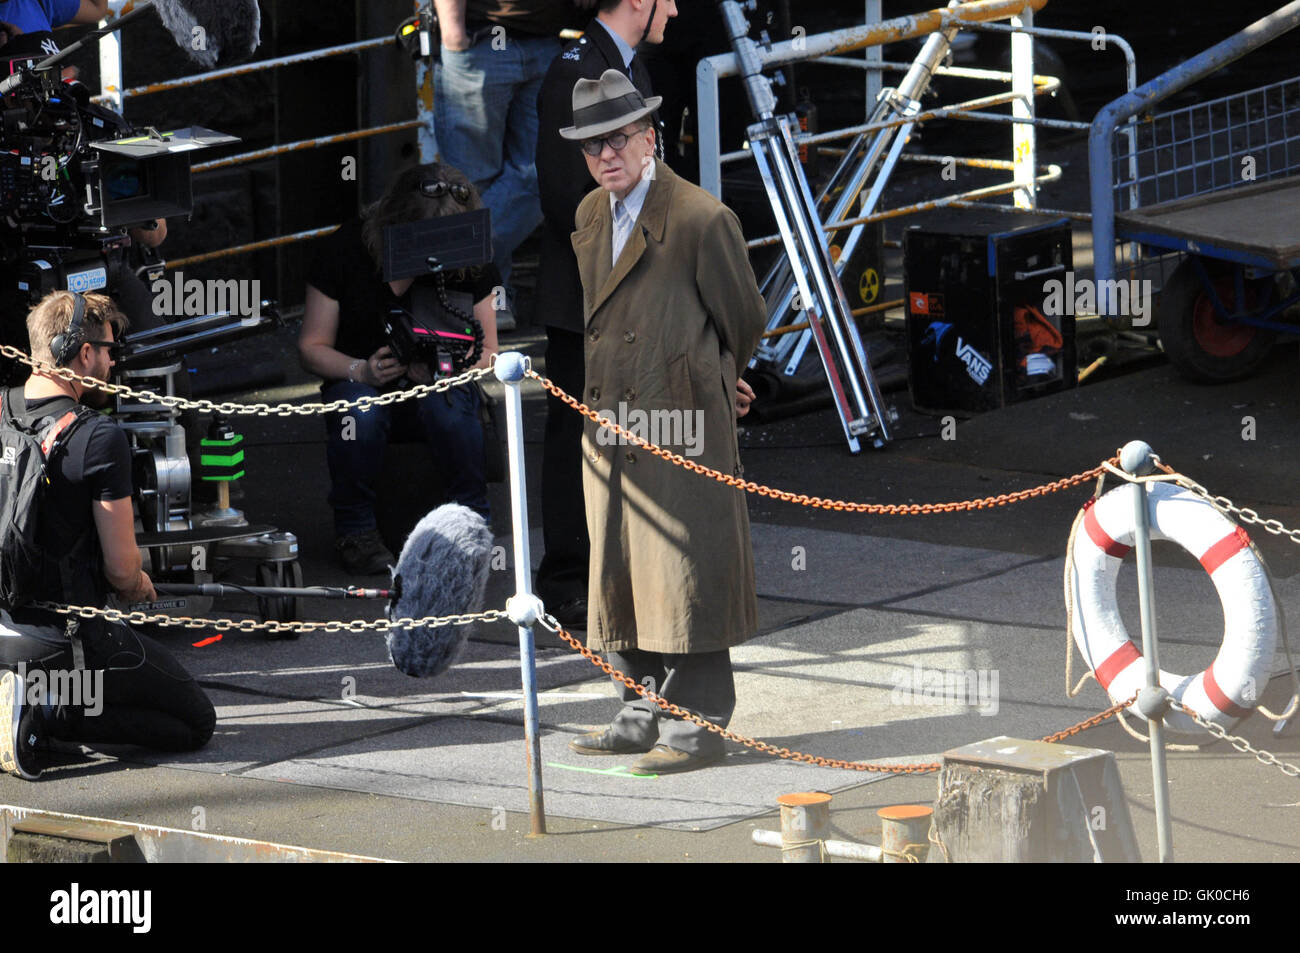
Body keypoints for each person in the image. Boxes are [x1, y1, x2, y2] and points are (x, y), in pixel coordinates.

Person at [560, 70, 764, 775]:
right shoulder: (591, 215)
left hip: (681, 423)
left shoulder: (702, 218)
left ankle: (695, 729)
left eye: (617, 139)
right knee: (619, 572)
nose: (605, 155)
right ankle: (639, 709)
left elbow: (744, 315)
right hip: (612, 422)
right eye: (591, 146)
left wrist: (717, 374)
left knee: (687, 573)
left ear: (649, 136)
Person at [0, 290, 215, 780]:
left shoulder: (0, 410)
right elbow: (122, 571)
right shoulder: (98, 436)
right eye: (110, 350)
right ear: (83, 352)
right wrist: (140, 586)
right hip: (67, 639)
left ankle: (27, 699)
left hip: (3, 628)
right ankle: (47, 717)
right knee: (196, 721)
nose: (114, 362)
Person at [533, 0, 676, 627]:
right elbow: (571, 196)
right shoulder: (575, 73)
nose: (673, 7)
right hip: (588, 292)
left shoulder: (628, 66)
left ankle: (622, 565)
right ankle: (567, 575)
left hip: (632, 283)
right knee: (576, 434)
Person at [299, 163, 499, 575]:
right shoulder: (346, 249)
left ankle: (472, 525)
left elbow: (490, 352)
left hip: (441, 383)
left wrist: (449, 369)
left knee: (450, 410)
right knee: (360, 412)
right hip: (364, 382)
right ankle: (357, 531)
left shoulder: (471, 255)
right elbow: (311, 347)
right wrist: (362, 370)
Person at [432, 0, 597, 324]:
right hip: (478, 43)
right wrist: (453, 35)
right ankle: (489, 299)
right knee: (473, 183)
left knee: (540, 172)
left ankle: (448, 270)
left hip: (546, 41)